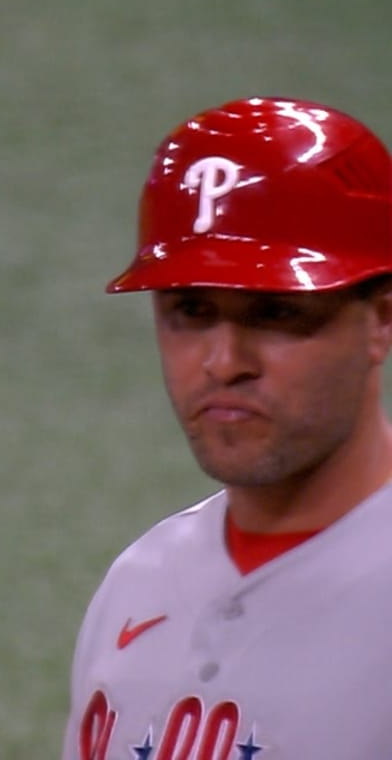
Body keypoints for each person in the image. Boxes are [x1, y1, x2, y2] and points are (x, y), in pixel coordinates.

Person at [62, 96, 392, 759]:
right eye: (191, 310)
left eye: (275, 314)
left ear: (381, 320)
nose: (223, 363)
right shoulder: (138, 582)